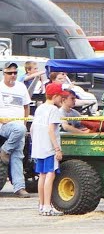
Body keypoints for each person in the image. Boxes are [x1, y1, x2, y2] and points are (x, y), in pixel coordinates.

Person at [31, 82, 86, 215]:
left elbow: (32, 128)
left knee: (42, 175)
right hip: (49, 148)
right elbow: (51, 130)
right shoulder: (53, 110)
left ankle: (42, 205)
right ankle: (47, 206)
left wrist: (35, 143)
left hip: (39, 147)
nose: (61, 99)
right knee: (50, 174)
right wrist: (57, 149)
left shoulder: (40, 108)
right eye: (60, 96)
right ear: (55, 96)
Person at [0, 62, 33, 197]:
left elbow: (26, 106)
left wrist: (25, 123)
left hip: (19, 126)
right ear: (4, 73)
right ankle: (5, 150)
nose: (13, 75)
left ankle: (19, 187)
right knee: (18, 129)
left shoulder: (21, 87)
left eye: (15, 73)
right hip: (3, 125)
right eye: (10, 73)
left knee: (18, 155)